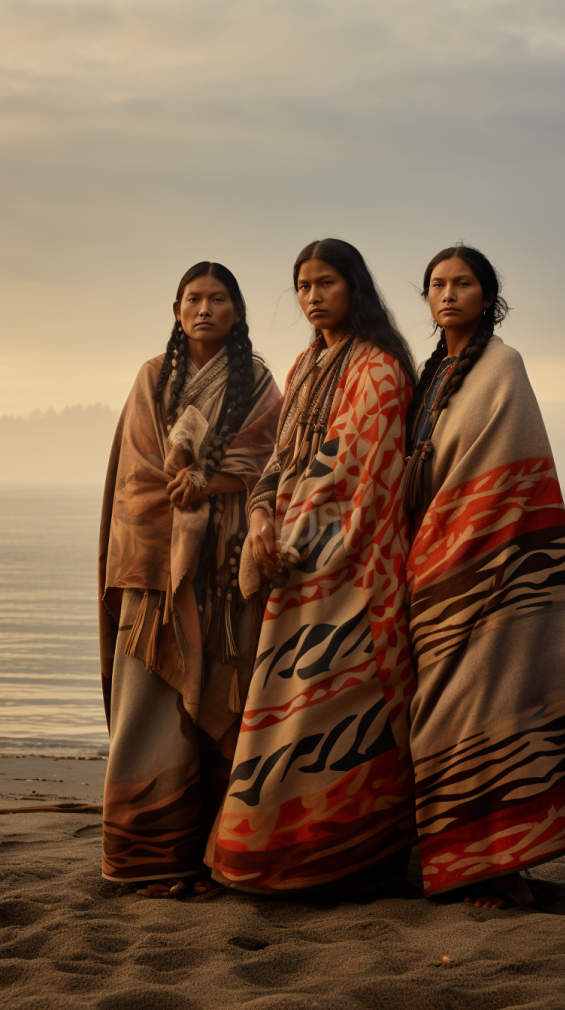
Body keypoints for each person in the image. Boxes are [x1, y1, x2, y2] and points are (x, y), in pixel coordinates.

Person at [405, 245, 565, 908]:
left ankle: (503, 866)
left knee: (490, 710)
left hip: (493, 571)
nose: (448, 295)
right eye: (438, 284)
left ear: (486, 293)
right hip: (428, 570)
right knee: (436, 719)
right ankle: (456, 857)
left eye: (462, 283)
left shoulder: (503, 368)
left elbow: (508, 476)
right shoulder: (431, 371)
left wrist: (458, 541)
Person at [205, 238, 417, 893]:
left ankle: (353, 857)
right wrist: (262, 518)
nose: (312, 296)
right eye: (302, 285)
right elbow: (281, 461)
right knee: (283, 711)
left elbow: (359, 474)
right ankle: (276, 853)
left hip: (350, 571)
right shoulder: (303, 366)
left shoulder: (381, 369)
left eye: (325, 282)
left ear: (354, 286)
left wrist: (292, 535)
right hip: (292, 564)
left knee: (338, 711)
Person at [99, 261, 282, 892]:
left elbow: (270, 459)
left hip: (228, 569)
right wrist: (184, 490)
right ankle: (148, 858)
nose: (205, 309)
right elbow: (137, 473)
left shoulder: (258, 382)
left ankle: (215, 857)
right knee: (150, 704)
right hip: (155, 569)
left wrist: (209, 481)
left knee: (226, 700)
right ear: (177, 310)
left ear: (238, 310)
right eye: (193, 298)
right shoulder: (153, 378)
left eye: (219, 299)